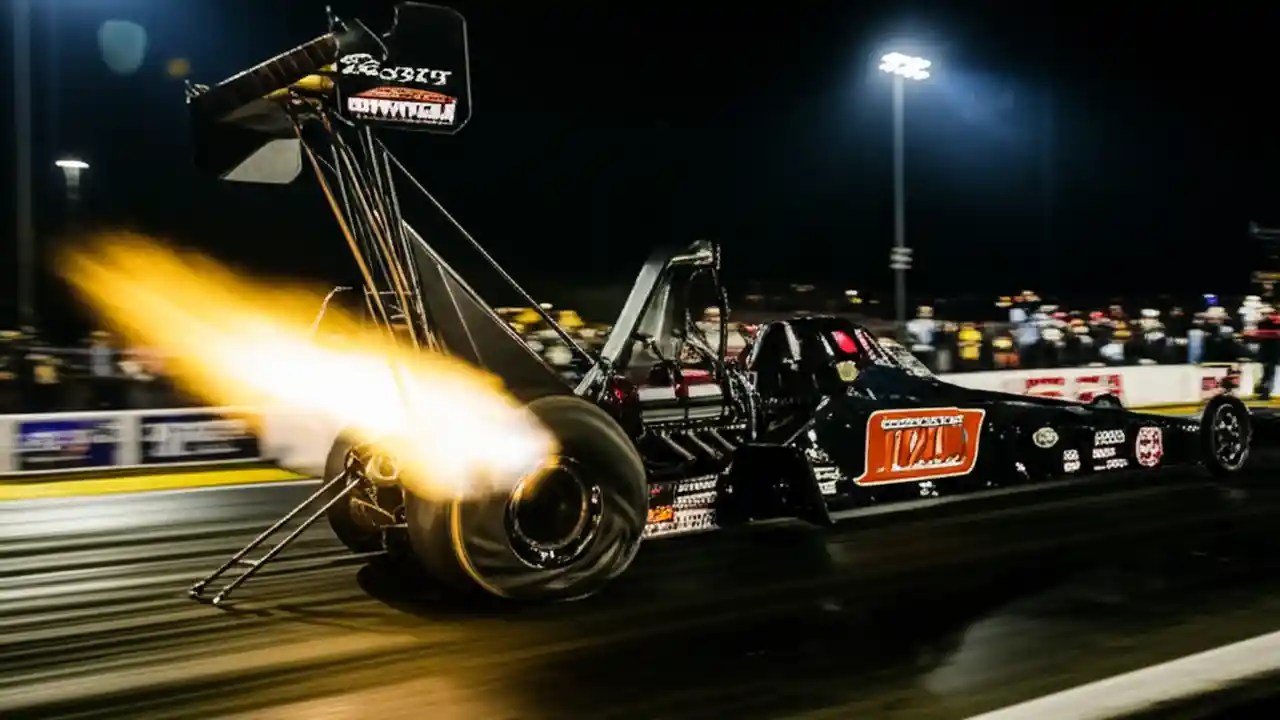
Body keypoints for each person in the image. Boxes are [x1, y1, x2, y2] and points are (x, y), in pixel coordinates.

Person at [1251, 305, 1280, 400]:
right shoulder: (1262, 323)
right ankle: (1265, 390)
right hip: (1267, 351)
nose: (1267, 315)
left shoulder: (1275, 322)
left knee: (1270, 372)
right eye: (1264, 314)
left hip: (1274, 351)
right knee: (1267, 371)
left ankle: (1267, 390)